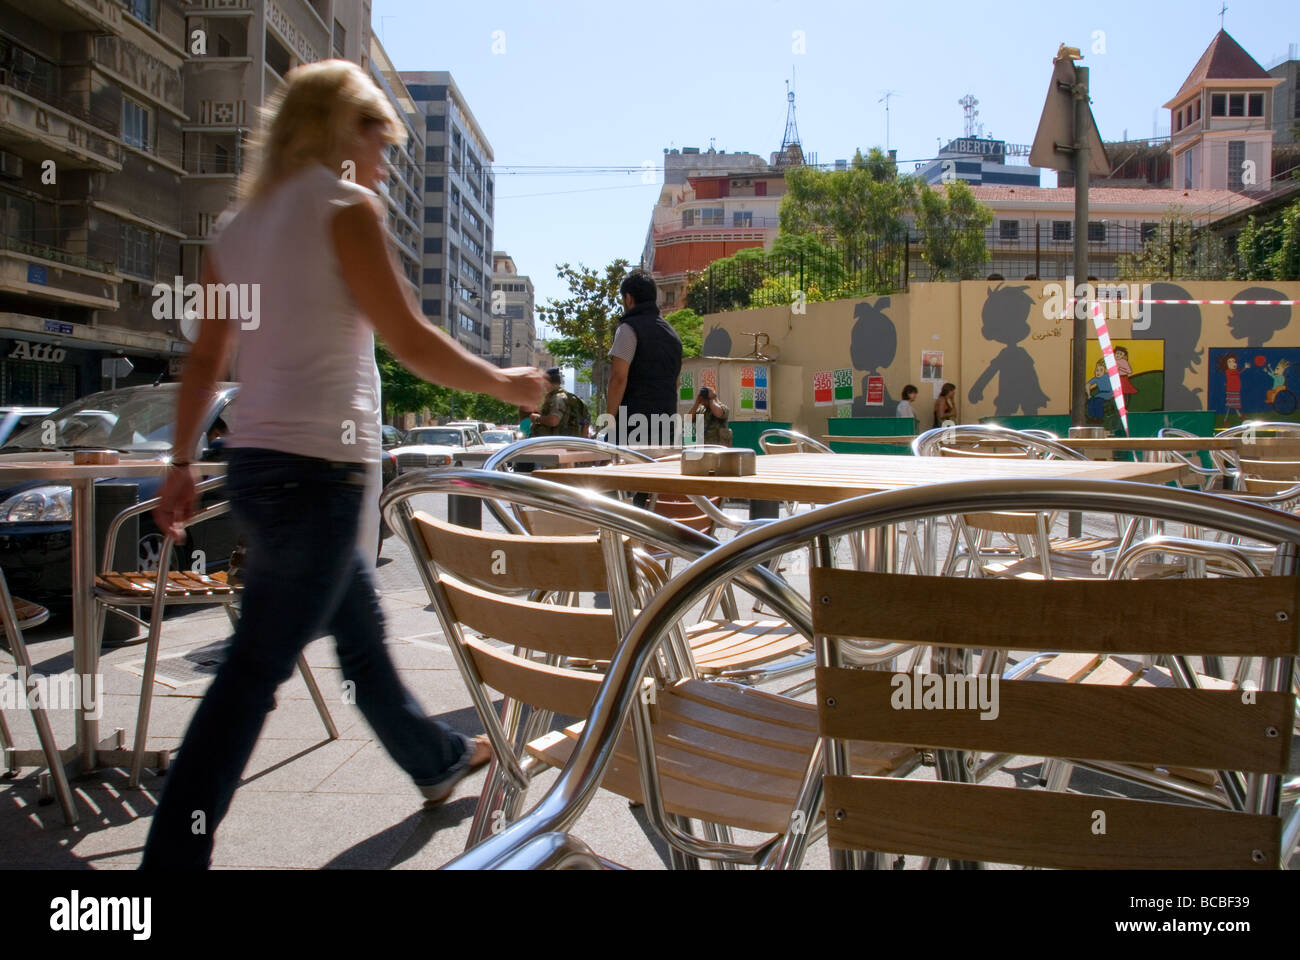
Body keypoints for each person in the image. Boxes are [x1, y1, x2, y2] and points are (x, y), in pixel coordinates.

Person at [140, 60, 547, 870]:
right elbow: (408, 337)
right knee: (254, 671)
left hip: (253, 466)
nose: (385, 161)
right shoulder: (343, 207)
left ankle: (431, 760)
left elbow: (204, 361)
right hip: (320, 474)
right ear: (338, 128)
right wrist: (508, 383)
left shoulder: (236, 228)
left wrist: (182, 461)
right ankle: (165, 868)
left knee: (358, 632)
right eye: (377, 137)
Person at [607, 270, 682, 447]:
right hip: (667, 426)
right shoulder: (673, 335)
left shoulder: (628, 329)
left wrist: (609, 420)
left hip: (632, 426)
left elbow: (618, 378)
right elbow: (677, 382)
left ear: (628, 298)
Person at [531, 367, 587, 437]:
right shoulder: (562, 397)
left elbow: (554, 420)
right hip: (560, 441)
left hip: (554, 442)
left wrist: (537, 418)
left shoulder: (557, 398)